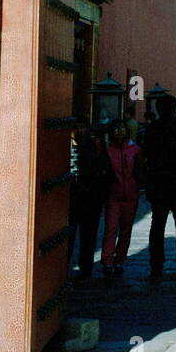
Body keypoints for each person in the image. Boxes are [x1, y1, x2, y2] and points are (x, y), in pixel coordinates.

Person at [137, 93, 176, 277]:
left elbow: (144, 155)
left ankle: (156, 262)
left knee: (157, 223)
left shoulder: (150, 129)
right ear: (174, 109)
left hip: (158, 181)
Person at [69, 118, 113, 278]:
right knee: (68, 236)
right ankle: (61, 268)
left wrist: (100, 194)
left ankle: (85, 268)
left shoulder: (96, 146)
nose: (79, 131)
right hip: (68, 199)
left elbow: (107, 169)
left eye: (82, 127)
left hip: (90, 198)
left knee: (88, 236)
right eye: (75, 127)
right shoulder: (60, 146)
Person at [101, 118, 142, 275]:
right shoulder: (107, 149)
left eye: (122, 128)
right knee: (111, 228)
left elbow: (139, 170)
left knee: (126, 229)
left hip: (131, 194)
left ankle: (120, 259)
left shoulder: (135, 149)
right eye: (116, 128)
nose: (119, 131)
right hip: (113, 194)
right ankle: (107, 260)